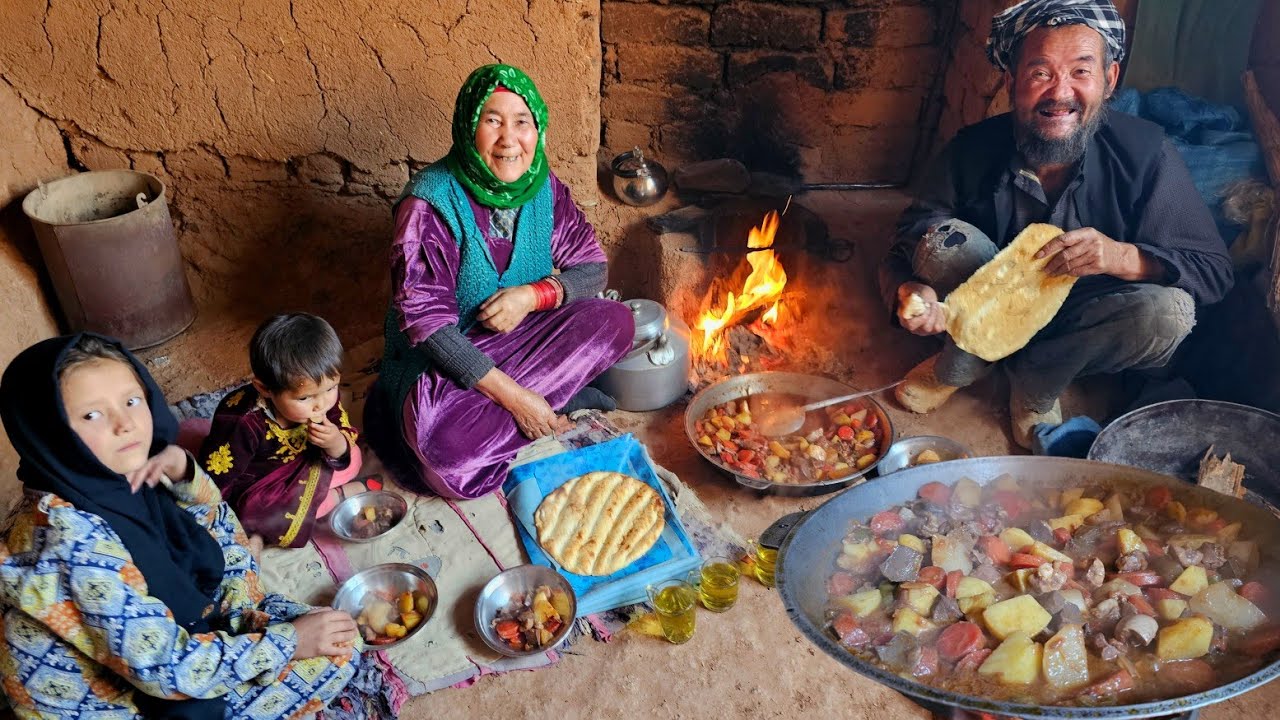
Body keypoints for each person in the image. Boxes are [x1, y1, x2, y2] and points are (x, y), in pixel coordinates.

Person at [878, 0, 1234, 448]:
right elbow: (908, 237)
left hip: (1083, 322)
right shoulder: (972, 148)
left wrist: (1121, 256)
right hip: (984, 304)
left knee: (1170, 313)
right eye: (1040, 73)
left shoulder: (1146, 154)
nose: (1060, 93)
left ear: (1110, 81)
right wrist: (909, 293)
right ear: (1012, 83)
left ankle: (1035, 382)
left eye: (1081, 72)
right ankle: (963, 361)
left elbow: (1214, 271)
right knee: (944, 241)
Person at [0, 333, 359, 719]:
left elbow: (220, 535)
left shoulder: (110, 475)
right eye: (92, 415)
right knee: (338, 653)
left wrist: (188, 477)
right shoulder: (72, 544)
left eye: (132, 401)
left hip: (172, 634)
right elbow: (164, 669)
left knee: (331, 630)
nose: (126, 425)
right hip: (124, 698)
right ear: (50, 432)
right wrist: (288, 643)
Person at [367, 64, 634, 499]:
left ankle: (536, 403)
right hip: (443, 362)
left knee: (618, 321)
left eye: (521, 122)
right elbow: (428, 328)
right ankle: (553, 400)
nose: (509, 138)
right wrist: (518, 402)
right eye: (492, 121)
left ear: (538, 130)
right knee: (446, 456)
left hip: (521, 339)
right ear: (468, 127)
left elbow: (591, 269)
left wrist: (532, 295)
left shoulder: (543, 186)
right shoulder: (427, 204)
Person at [198, 313, 370, 550]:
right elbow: (219, 480)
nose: (321, 404)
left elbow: (342, 434)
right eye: (304, 397)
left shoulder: (323, 397)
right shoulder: (243, 422)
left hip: (307, 464)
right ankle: (334, 497)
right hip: (263, 486)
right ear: (265, 388)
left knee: (353, 456)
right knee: (262, 513)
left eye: (331, 387)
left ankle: (318, 499)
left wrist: (334, 442)